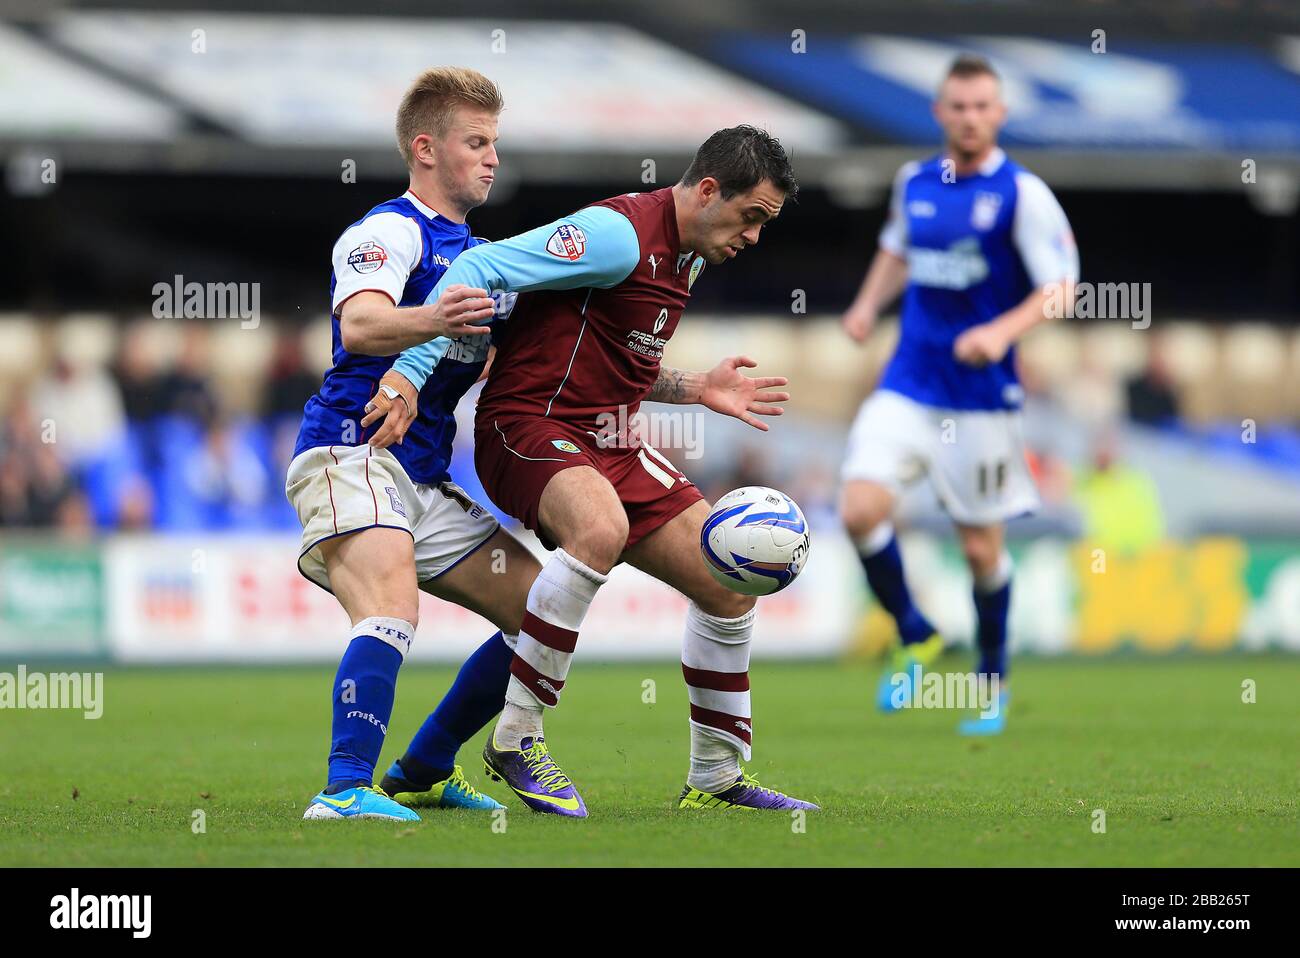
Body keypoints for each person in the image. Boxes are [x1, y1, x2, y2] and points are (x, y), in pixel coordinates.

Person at [367, 126, 817, 814]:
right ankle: (516, 737)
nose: (754, 237)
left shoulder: (690, 257)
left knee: (727, 583)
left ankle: (716, 777)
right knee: (599, 527)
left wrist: (693, 388)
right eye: (751, 216)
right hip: (526, 425)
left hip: (610, 440)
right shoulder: (615, 235)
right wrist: (407, 372)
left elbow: (618, 358)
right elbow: (478, 273)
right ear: (705, 191)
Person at [288, 66, 534, 821]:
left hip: (422, 478)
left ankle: (423, 766)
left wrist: (688, 389)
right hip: (350, 452)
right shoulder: (389, 231)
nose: (492, 157)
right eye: (476, 142)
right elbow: (358, 325)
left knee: (543, 615)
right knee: (391, 605)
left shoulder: (488, 261)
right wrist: (440, 318)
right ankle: (342, 790)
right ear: (425, 149)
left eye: (495, 142)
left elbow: (548, 362)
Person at [838, 54, 1079, 735]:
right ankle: (915, 631)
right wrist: (864, 308)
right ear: (940, 113)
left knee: (980, 551)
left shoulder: (1022, 194)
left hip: (980, 399)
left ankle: (993, 680)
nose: (970, 118)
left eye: (982, 107)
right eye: (958, 106)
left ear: (998, 114)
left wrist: (1001, 332)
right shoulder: (914, 181)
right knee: (858, 508)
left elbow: (1062, 286)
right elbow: (896, 250)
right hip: (909, 381)